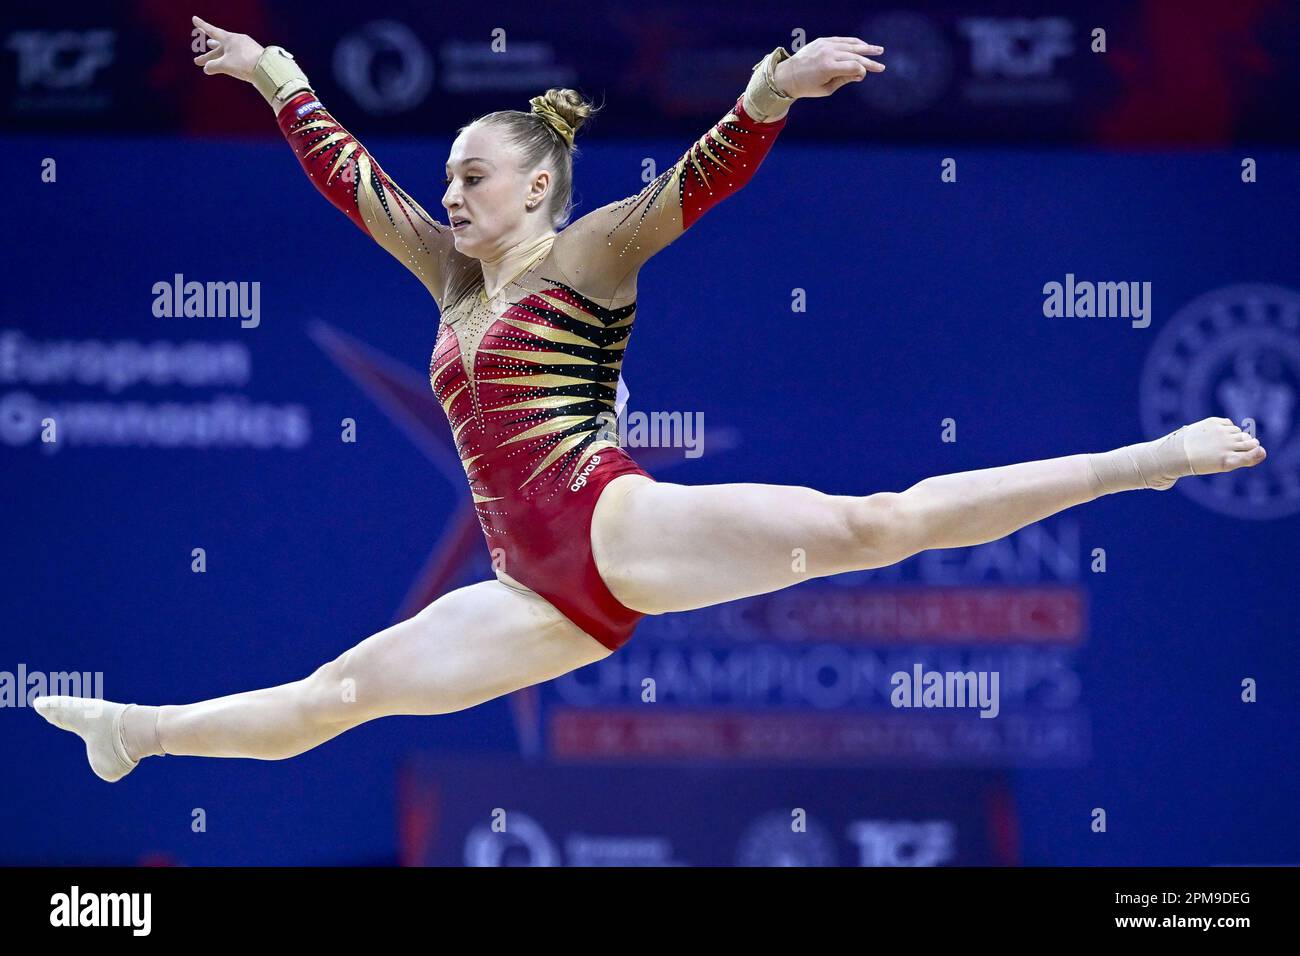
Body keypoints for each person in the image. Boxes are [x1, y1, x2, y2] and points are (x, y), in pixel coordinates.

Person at [33, 17, 1265, 782]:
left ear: (539, 189)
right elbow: (346, 176)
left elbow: (701, 176)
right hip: (536, 593)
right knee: (333, 700)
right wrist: (274, 70)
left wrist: (771, 91)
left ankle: (1141, 456)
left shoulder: (589, 254)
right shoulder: (450, 273)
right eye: (449, 177)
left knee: (874, 526)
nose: (448, 193)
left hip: (609, 519)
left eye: (472, 176)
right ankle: (139, 732)